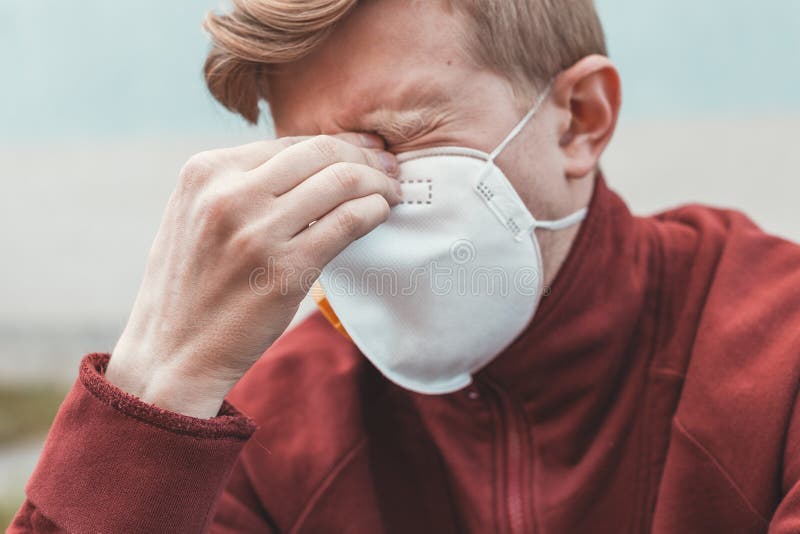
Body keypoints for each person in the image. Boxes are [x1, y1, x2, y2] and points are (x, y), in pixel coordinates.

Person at [9, 0, 800, 532]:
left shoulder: (775, 359)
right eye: (308, 164)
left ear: (580, 121)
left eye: (396, 140)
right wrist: (155, 388)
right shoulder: (268, 434)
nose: (351, 199)